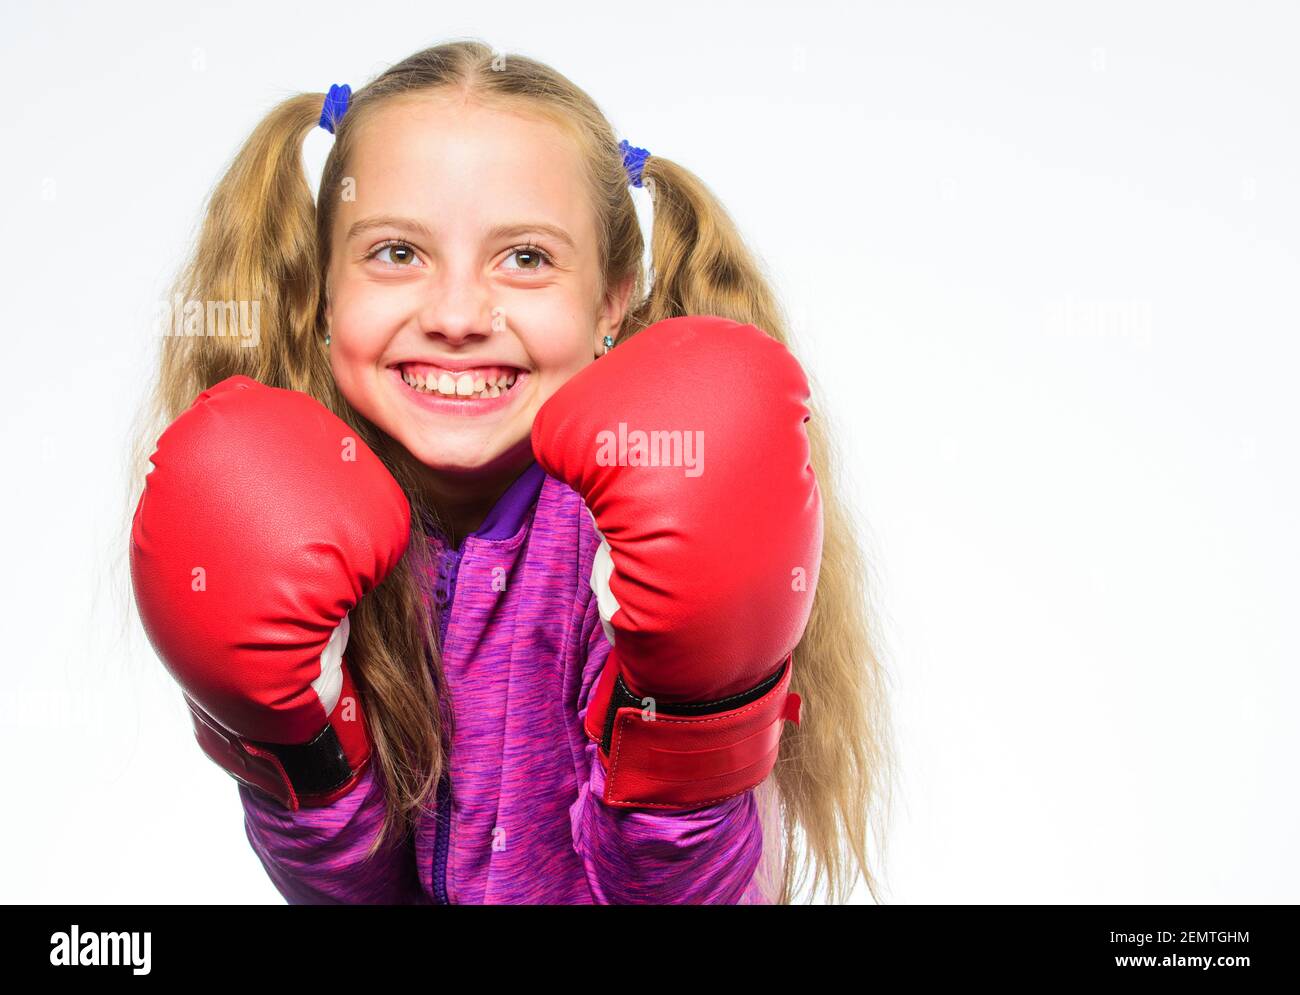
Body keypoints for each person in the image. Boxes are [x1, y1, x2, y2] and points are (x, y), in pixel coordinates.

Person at [128, 39, 893, 904]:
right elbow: (356, 897)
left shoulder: (645, 513)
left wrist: (685, 731)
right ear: (324, 287)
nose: (457, 314)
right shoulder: (282, 506)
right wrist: (293, 749)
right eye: (396, 252)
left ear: (612, 297)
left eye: (525, 257)